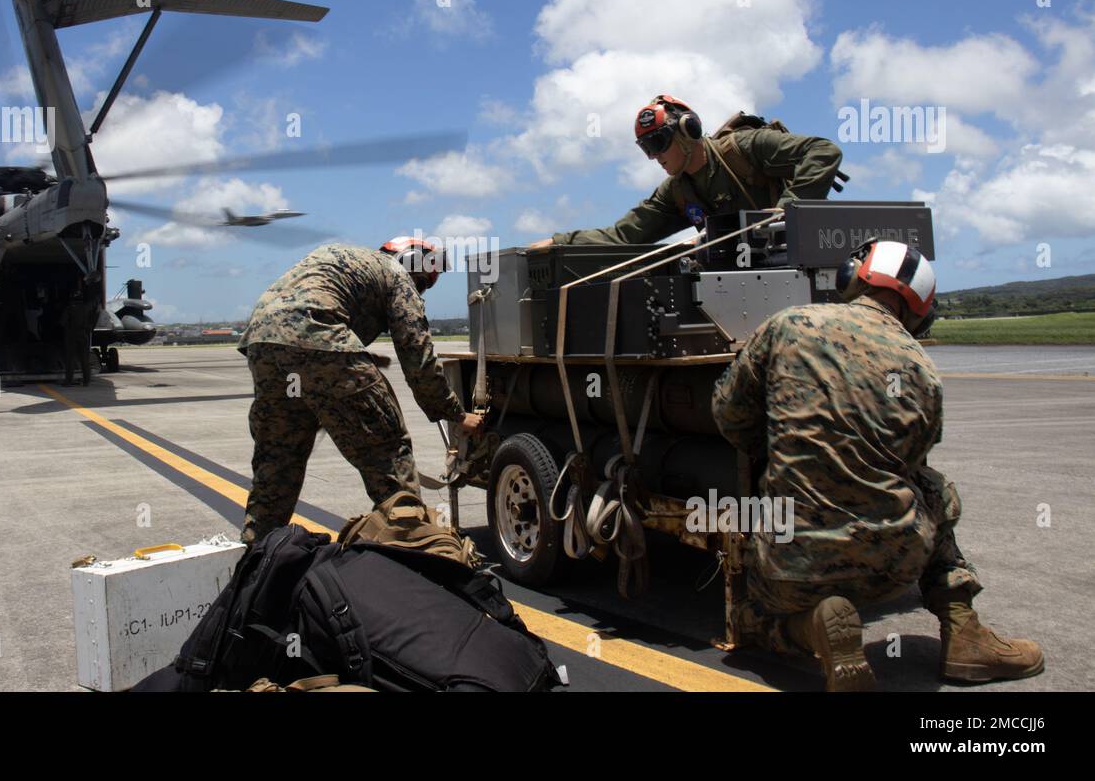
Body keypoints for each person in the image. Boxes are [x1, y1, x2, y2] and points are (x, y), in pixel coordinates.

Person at [711, 240, 1044, 690]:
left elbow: (729, 415)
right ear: (919, 310)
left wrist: (779, 448)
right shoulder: (922, 369)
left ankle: (813, 627)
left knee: (752, 617)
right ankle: (964, 633)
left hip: (792, 564)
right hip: (893, 565)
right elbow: (912, 463)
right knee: (934, 489)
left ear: (853, 277)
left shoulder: (789, 324)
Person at [236, 237, 484, 545]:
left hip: (263, 345)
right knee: (387, 450)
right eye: (425, 279)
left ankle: (257, 553)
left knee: (278, 459)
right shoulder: (396, 274)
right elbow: (417, 356)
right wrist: (456, 415)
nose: (424, 287)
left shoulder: (348, 259)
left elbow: (311, 312)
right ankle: (408, 550)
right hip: (319, 339)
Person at [531, 95, 843, 247]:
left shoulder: (745, 148)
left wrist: (783, 213)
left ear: (687, 131)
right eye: (646, 149)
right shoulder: (677, 191)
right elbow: (623, 236)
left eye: (658, 144)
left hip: (797, 260)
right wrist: (560, 242)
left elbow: (823, 151)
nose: (655, 157)